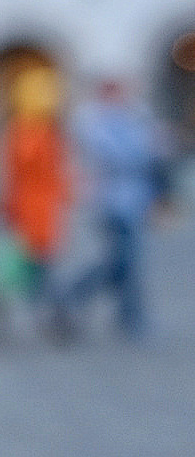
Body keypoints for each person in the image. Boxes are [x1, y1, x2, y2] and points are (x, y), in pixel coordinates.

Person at [56, 77, 172, 341]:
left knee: (123, 264)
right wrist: (149, 149)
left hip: (133, 200)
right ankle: (126, 318)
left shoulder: (133, 116)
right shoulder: (93, 121)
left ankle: (77, 299)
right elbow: (122, 155)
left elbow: (153, 147)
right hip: (112, 201)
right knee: (125, 263)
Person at [0, 67, 71, 340]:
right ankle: (56, 315)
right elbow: (23, 170)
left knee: (30, 266)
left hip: (38, 209)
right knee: (31, 265)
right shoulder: (30, 133)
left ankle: (50, 313)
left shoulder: (34, 131)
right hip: (30, 210)